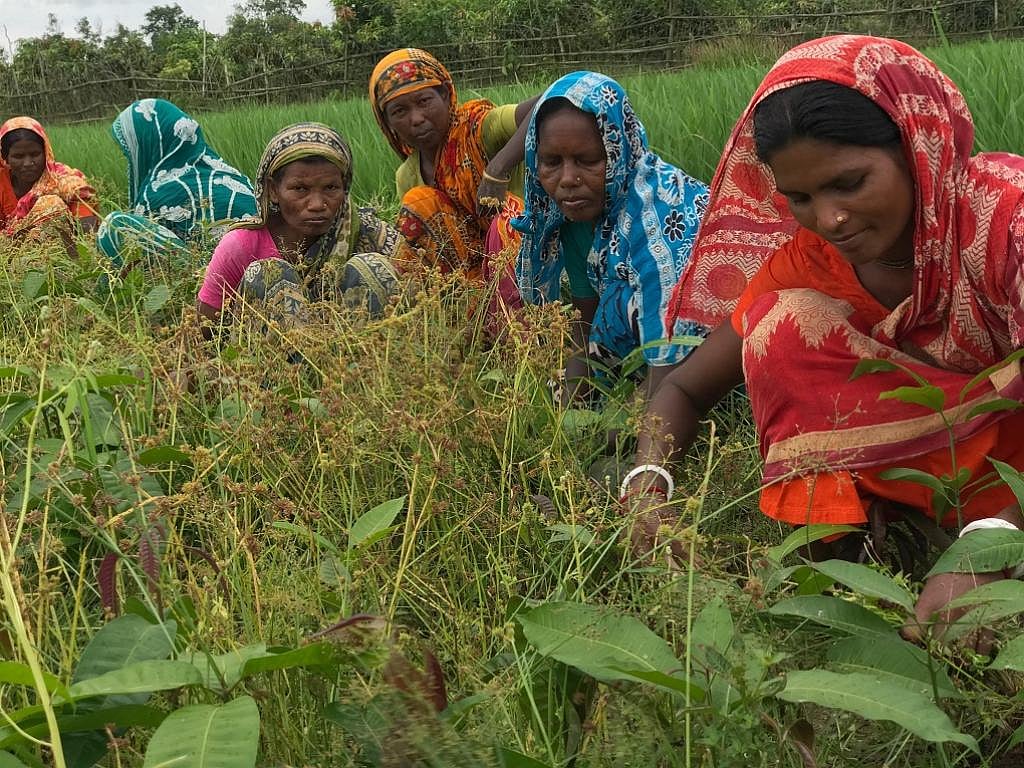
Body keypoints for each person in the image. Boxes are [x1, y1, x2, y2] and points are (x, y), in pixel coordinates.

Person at [621, 35, 1024, 648]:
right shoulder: (811, 261)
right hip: (946, 472)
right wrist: (646, 487)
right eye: (801, 198)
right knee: (780, 330)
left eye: (850, 182)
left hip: (1011, 472)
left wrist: (987, 549)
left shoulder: (1007, 221)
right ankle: (858, 538)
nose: (830, 219)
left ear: (916, 150)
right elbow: (682, 385)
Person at [513, 71, 709, 404]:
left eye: (588, 161)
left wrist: (619, 431)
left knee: (622, 304)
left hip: (712, 350)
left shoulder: (658, 211)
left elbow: (677, 342)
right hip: (644, 346)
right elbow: (585, 320)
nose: (568, 179)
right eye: (551, 162)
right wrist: (572, 413)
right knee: (557, 395)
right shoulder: (573, 220)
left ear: (618, 150)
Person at [197, 122, 406, 334]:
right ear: (273, 190)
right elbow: (207, 330)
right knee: (270, 273)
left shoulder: (365, 231)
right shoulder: (242, 244)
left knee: (370, 266)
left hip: (350, 356)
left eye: (331, 188)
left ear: (344, 187)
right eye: (300, 189)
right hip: (269, 360)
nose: (317, 204)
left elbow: (417, 288)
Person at [369, 48, 538, 278]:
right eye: (399, 111)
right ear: (387, 124)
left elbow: (550, 99)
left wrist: (497, 168)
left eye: (425, 101)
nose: (417, 118)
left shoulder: (479, 129)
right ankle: (467, 302)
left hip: (525, 254)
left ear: (446, 96)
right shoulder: (407, 175)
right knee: (417, 205)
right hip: (466, 277)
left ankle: (519, 302)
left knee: (506, 218)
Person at [96, 98, 258, 268]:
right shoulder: (222, 172)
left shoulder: (161, 191)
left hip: (226, 279)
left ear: (148, 145)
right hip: (273, 261)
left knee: (115, 226)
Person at [0, 116, 98, 242]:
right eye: (18, 156)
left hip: (59, 252)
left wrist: (88, 251)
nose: (28, 163)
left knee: (51, 204)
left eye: (35, 154)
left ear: (45, 153)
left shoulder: (60, 178)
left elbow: (85, 215)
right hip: (9, 251)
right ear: (5, 158)